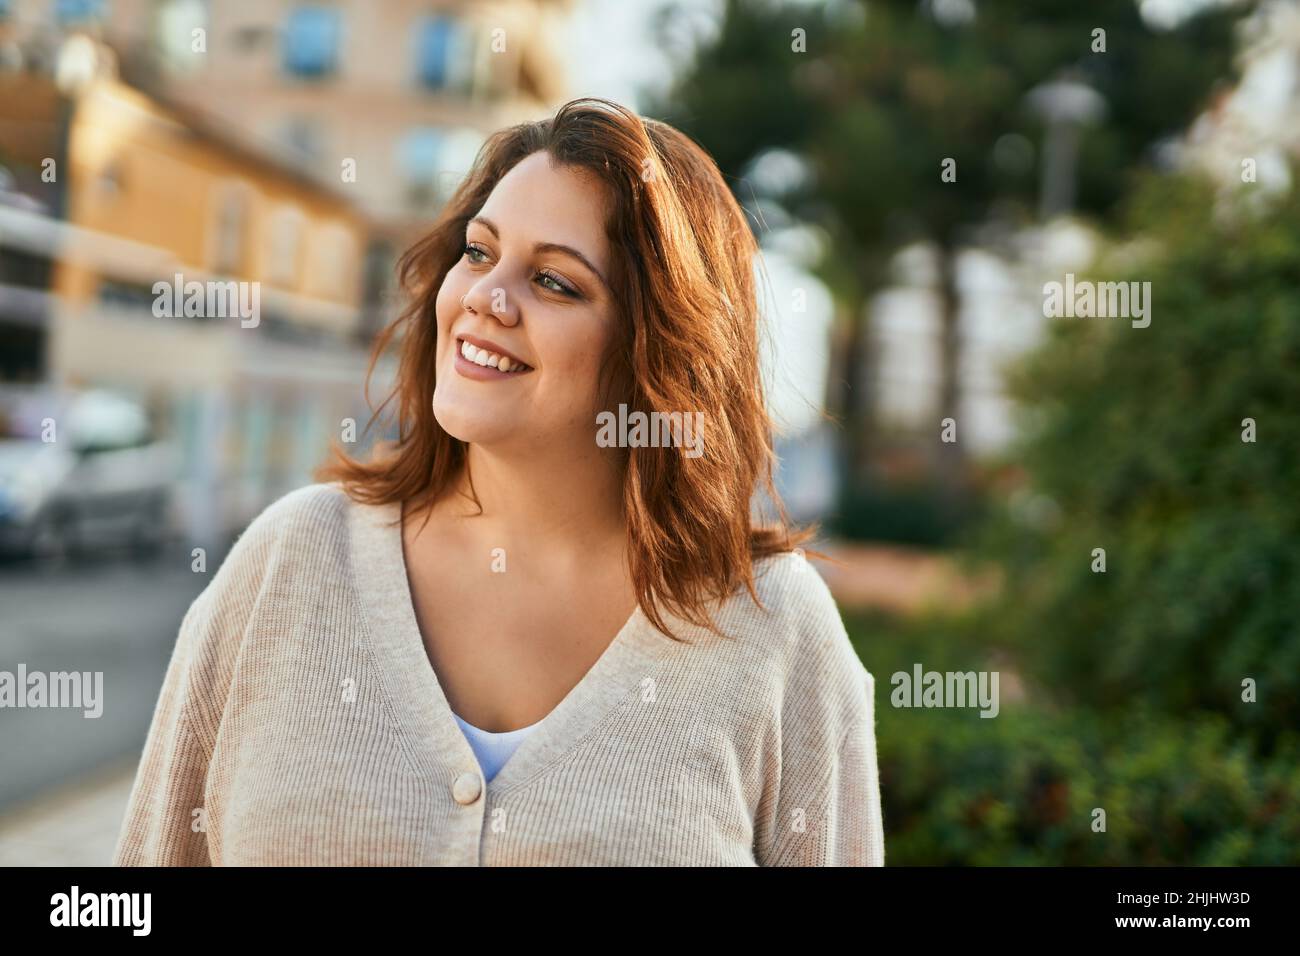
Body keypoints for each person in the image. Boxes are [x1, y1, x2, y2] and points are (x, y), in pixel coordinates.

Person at [112, 97, 884, 866]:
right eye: (479, 253)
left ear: (659, 350)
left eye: (554, 281)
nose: (484, 297)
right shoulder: (291, 562)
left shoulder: (773, 627)